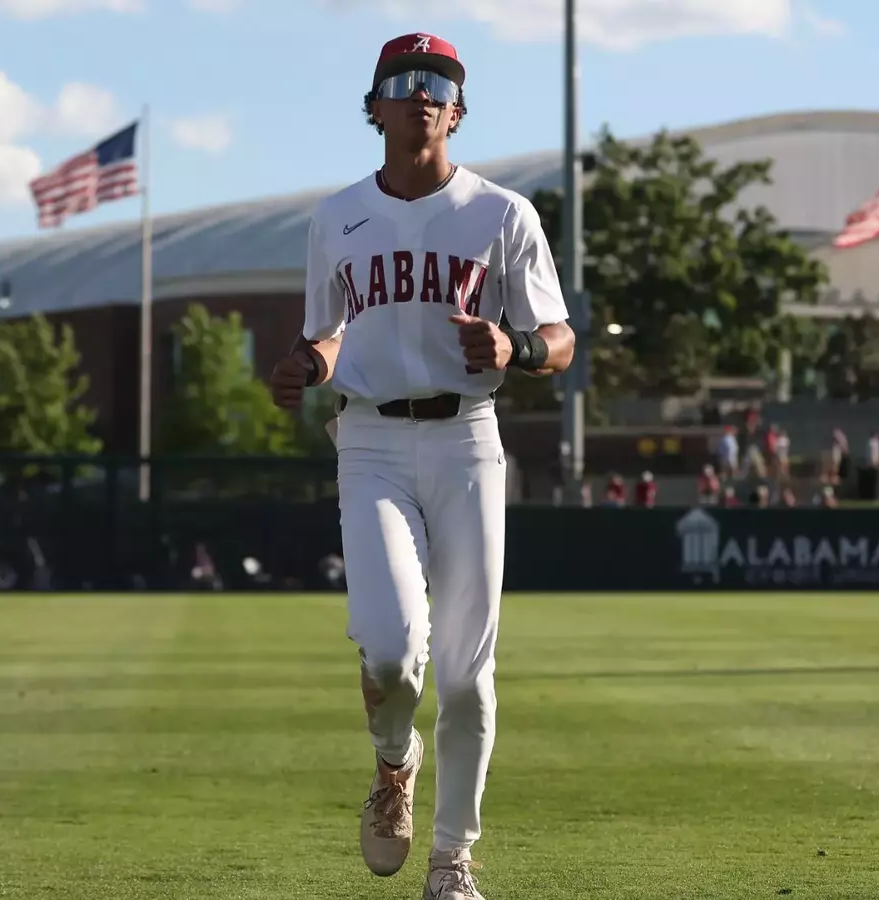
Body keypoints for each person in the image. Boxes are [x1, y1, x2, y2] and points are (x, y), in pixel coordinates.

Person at [266, 32, 575, 900]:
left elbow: (560, 338)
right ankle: (393, 764)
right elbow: (329, 330)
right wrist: (308, 363)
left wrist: (514, 344)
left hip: (466, 435)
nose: (422, 94)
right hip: (367, 439)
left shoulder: (502, 213)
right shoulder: (335, 217)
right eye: (402, 83)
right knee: (397, 652)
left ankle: (452, 862)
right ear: (374, 109)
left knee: (468, 677)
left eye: (439, 83)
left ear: (459, 110)